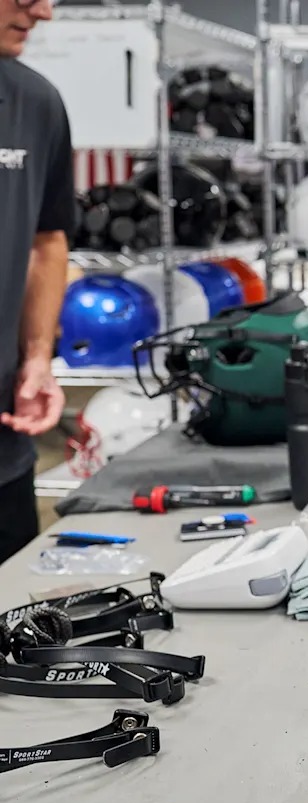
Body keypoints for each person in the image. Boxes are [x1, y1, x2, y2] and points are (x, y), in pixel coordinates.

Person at [0, 0, 75, 565]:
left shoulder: (35, 102)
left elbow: (45, 241)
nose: (43, 11)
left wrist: (36, 357)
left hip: (5, 449)